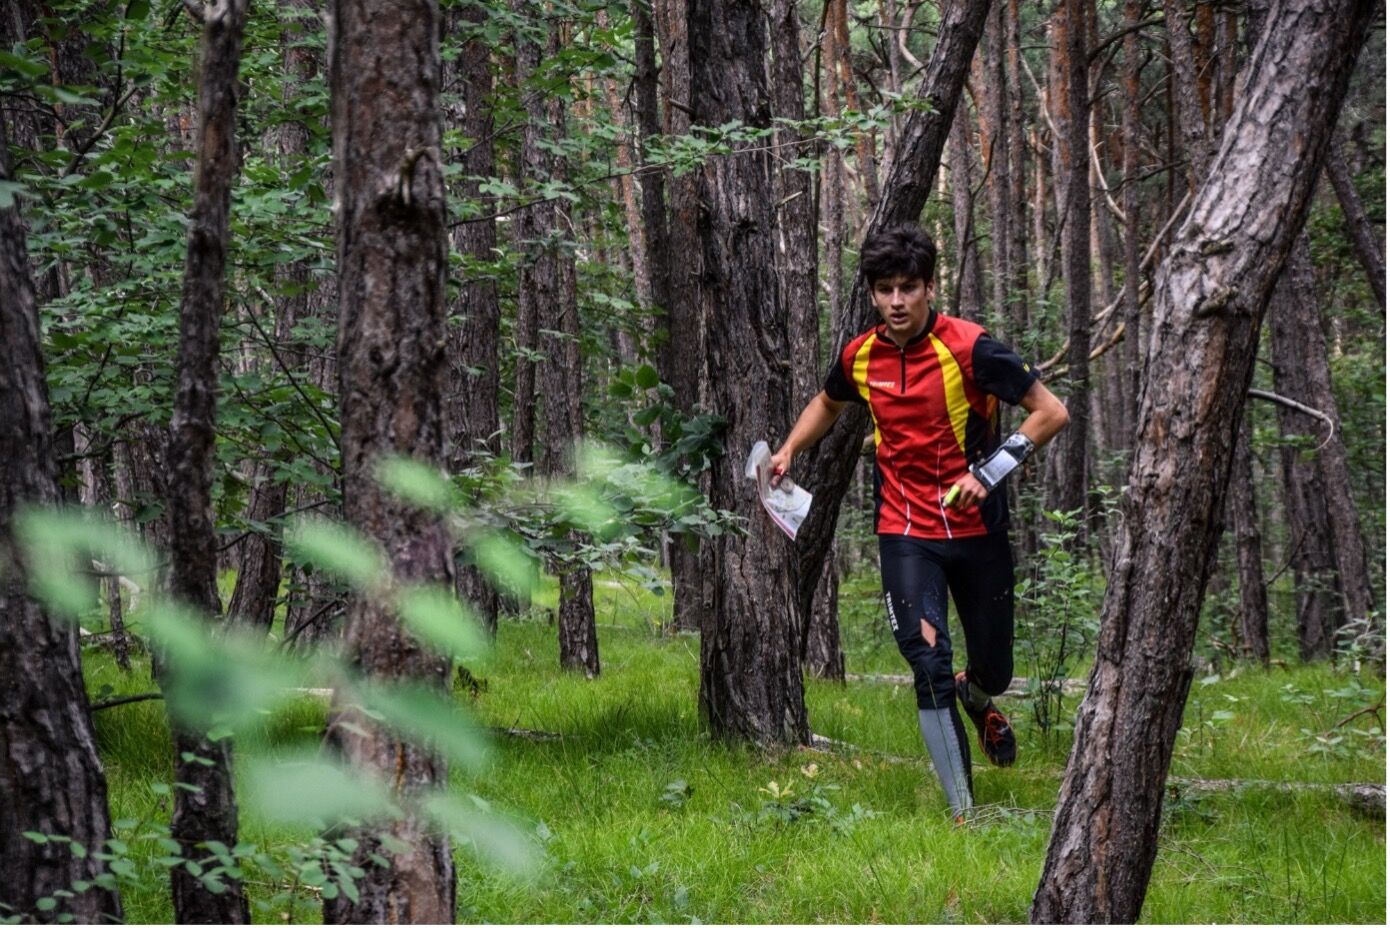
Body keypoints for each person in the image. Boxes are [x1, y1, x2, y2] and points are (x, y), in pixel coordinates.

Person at [770, 224, 1069, 819]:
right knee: (925, 660)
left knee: (996, 666)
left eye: (909, 287)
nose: (898, 301)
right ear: (873, 295)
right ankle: (963, 813)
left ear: (930, 287)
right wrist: (789, 450)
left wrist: (985, 474)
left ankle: (977, 694)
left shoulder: (970, 347)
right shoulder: (860, 355)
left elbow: (1050, 412)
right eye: (886, 289)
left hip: (978, 530)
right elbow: (829, 402)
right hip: (905, 530)